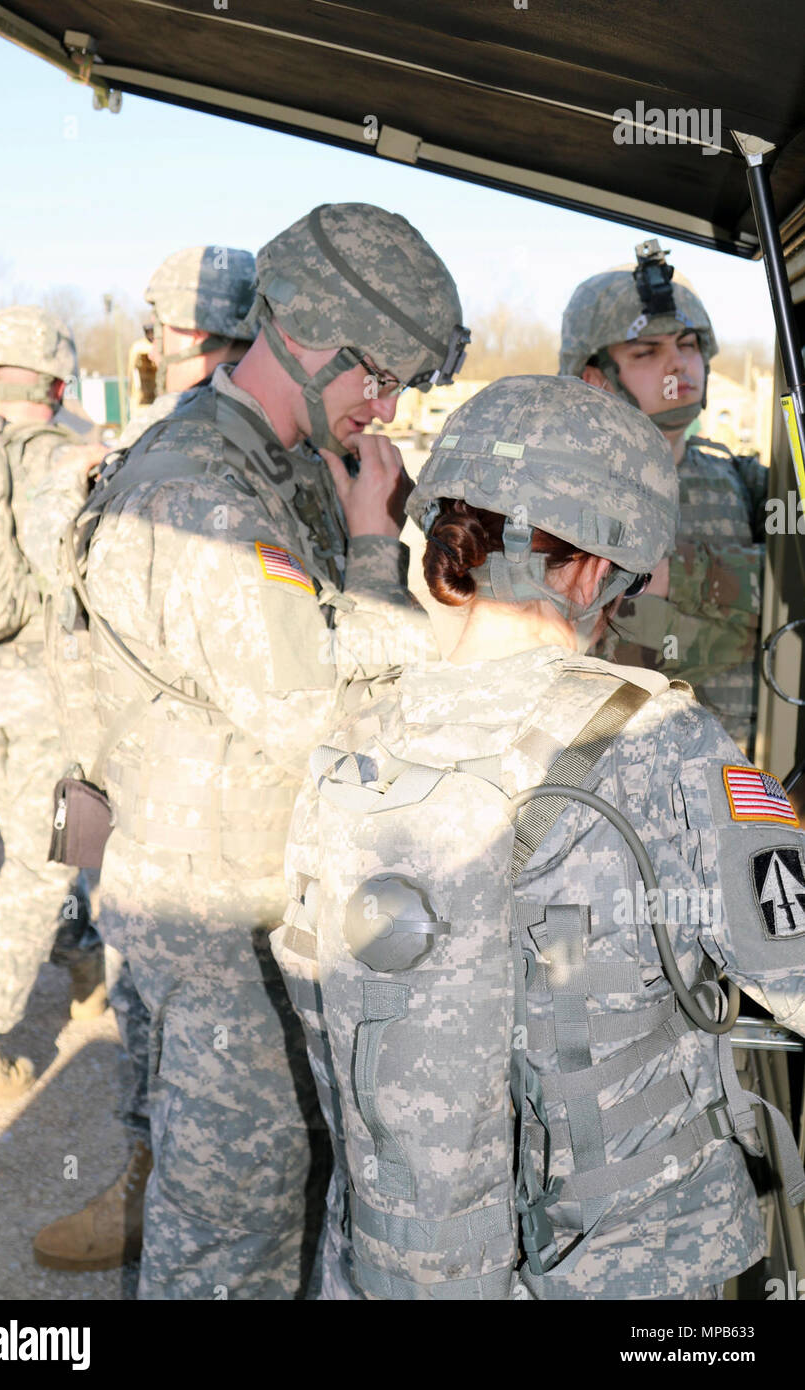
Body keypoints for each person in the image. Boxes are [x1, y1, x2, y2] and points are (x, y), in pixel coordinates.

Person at [273, 374, 805, 1300]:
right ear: (602, 568)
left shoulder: (355, 740)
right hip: (625, 1277)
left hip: (387, 1267)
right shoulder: (658, 741)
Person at [37, 202, 468, 1299]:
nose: (387, 408)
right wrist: (377, 551)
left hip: (247, 876)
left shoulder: (269, 461)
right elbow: (324, 710)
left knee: (269, 1181)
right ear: (313, 338)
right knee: (232, 1213)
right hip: (213, 906)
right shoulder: (202, 496)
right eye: (379, 376)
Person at [29, 245, 257, 1275]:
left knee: (159, 1005)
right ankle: (156, 1181)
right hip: (127, 769)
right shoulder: (213, 445)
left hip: (169, 793)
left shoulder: (173, 447)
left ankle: (154, 1189)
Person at [0, 306, 106, 1105]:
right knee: (43, 860)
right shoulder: (62, 462)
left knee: (46, 834)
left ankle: (84, 956)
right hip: (46, 696)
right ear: (59, 383)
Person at [559, 239, 767, 758]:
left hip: (749, 785)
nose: (680, 365)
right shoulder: (557, 494)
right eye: (647, 352)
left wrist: (677, 578)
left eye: (689, 343)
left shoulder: (740, 478)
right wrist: (743, 607)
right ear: (595, 379)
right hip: (622, 799)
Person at [117, 245, 256, 449]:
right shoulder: (298, 412)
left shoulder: (164, 423)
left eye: (155, 332)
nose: (154, 354)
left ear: (193, 332)